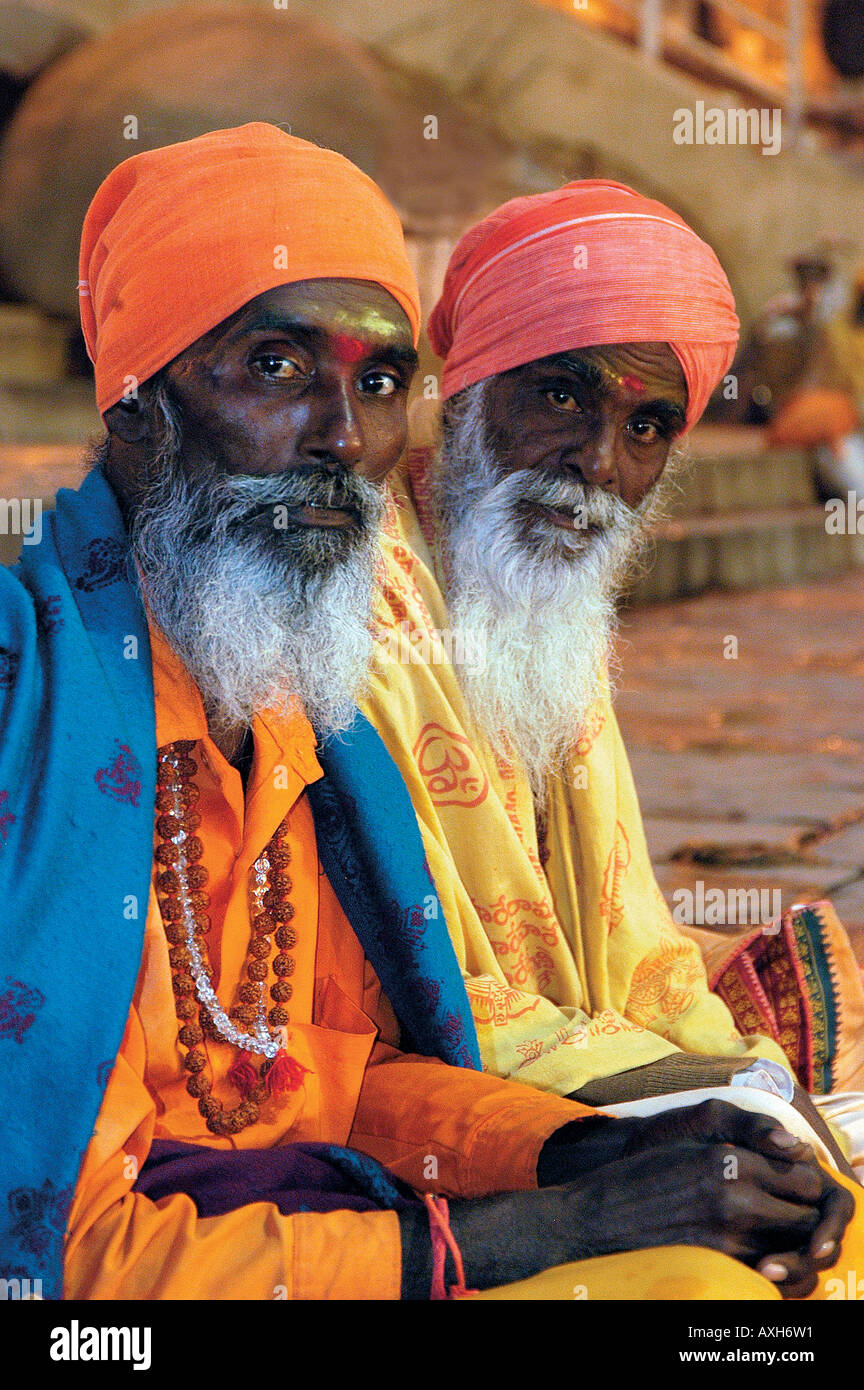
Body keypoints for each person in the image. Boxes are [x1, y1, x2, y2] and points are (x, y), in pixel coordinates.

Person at [1, 128, 859, 1304]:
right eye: (274, 368)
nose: (343, 440)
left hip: (294, 1220)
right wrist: (534, 1233)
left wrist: (586, 1151)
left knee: (770, 1262)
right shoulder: (31, 706)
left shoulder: (286, 700)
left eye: (377, 381)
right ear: (138, 404)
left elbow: (327, 1074)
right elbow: (69, 1263)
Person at [354, 180, 864, 1168]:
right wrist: (729, 1101)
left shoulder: (544, 599)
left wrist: (743, 1080)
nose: (597, 462)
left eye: (644, 430)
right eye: (561, 395)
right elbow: (440, 1005)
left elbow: (633, 954)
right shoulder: (365, 604)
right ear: (464, 393)